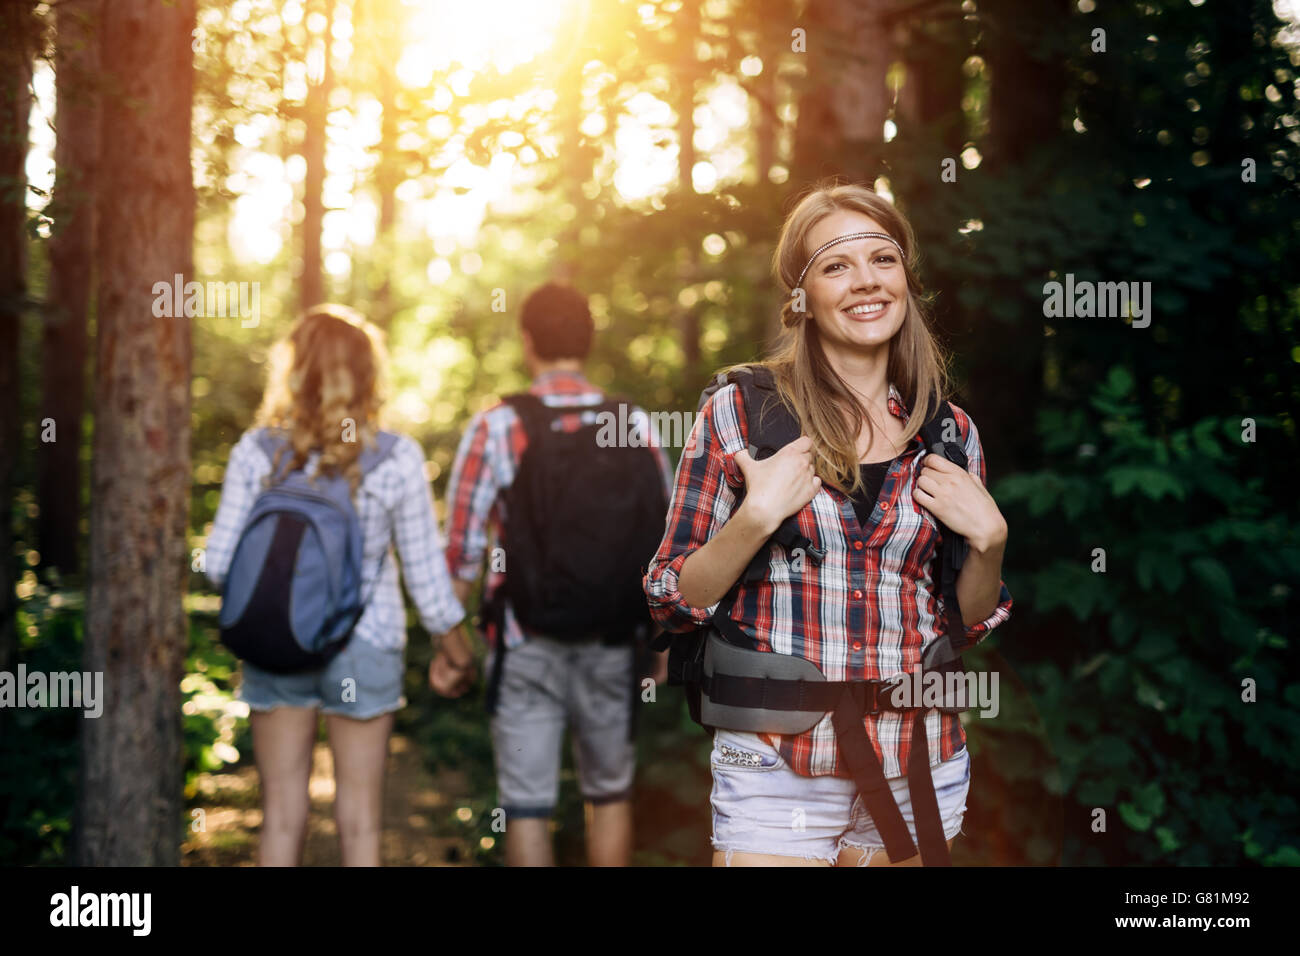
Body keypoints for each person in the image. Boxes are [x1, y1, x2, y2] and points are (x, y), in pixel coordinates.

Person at [643, 181, 1014, 867]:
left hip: (919, 760)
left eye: (883, 259)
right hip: (776, 761)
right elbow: (671, 594)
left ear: (907, 279)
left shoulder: (951, 433)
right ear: (800, 296)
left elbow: (968, 621)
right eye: (836, 265)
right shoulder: (740, 414)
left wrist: (990, 544)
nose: (865, 281)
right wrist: (755, 517)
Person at [205, 304, 475, 866]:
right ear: (369, 375)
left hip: (277, 641)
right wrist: (458, 655)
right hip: (365, 643)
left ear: (294, 370)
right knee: (360, 822)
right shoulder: (397, 458)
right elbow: (426, 581)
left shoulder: (257, 451)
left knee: (280, 816)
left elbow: (220, 565)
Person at [438, 281, 673, 866]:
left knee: (526, 805)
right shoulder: (633, 423)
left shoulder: (496, 426)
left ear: (527, 343)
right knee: (610, 793)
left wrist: (452, 645)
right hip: (616, 641)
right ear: (588, 341)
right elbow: (667, 540)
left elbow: (462, 551)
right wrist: (664, 642)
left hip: (524, 641)